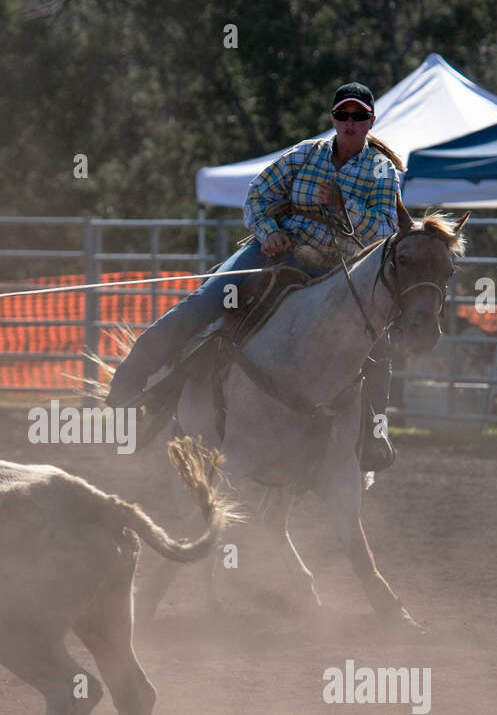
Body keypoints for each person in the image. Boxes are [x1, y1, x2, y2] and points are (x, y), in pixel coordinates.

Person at [105, 82, 404, 468]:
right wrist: (269, 233)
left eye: (358, 116)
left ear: (370, 121)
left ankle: (372, 436)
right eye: (343, 115)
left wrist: (344, 204)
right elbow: (257, 196)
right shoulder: (302, 155)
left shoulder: (383, 173)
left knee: (377, 342)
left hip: (338, 269)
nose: (350, 122)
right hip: (279, 253)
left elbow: (384, 232)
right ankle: (131, 382)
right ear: (333, 119)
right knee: (209, 300)